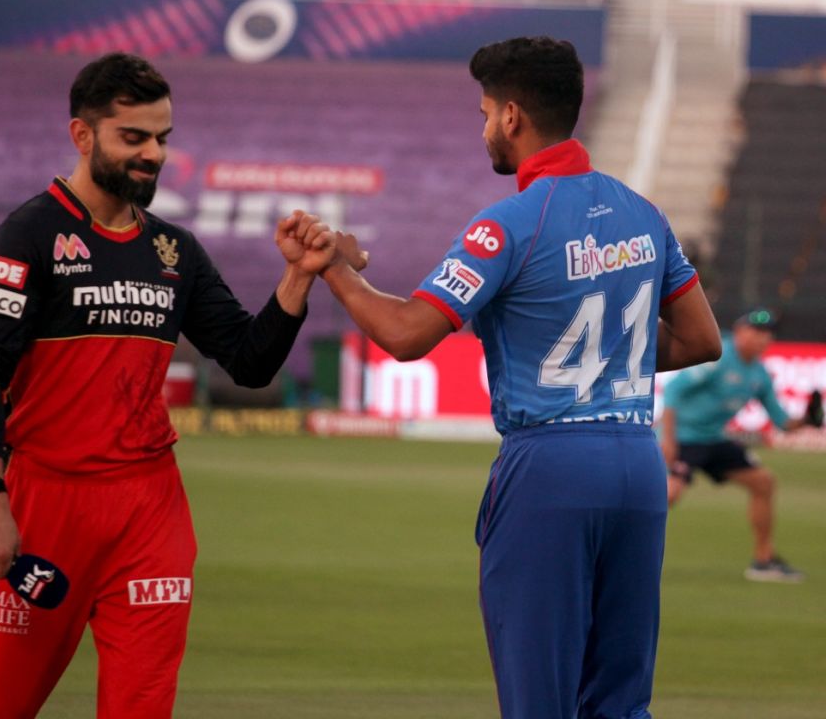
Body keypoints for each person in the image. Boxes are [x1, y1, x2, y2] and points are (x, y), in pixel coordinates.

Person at [302, 36, 722, 719]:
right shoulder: (645, 214)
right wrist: (615, 360)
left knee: (539, 700)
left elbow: (407, 334)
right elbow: (703, 338)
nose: (484, 127)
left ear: (513, 117)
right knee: (620, 702)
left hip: (550, 468)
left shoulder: (505, 226)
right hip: (638, 465)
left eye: (484, 112)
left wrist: (335, 269)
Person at [0, 52, 334, 719]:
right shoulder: (25, 236)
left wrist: (296, 278)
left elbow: (248, 360)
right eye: (134, 137)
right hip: (42, 507)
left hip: (148, 513)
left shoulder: (175, 252)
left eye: (162, 139)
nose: (152, 154)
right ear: (82, 135)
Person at [661, 308, 825, 583]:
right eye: (756, 331)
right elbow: (674, 389)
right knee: (667, 495)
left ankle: (763, 560)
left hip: (713, 439)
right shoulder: (718, 356)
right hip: (683, 437)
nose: (762, 339)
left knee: (763, 482)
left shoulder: (759, 374)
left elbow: (782, 422)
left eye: (768, 334)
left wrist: (808, 419)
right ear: (738, 332)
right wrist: (668, 441)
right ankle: (619, 557)